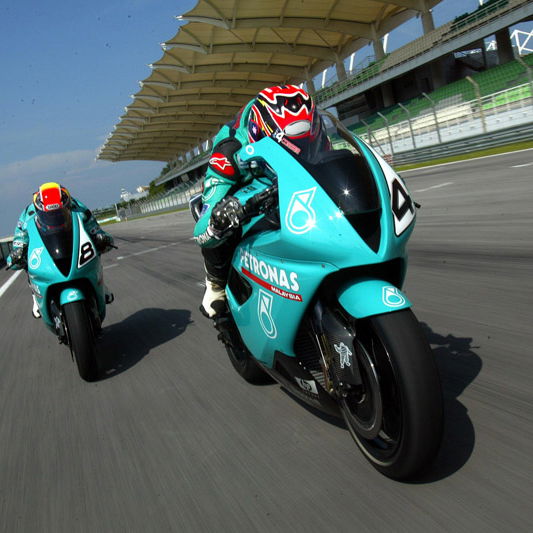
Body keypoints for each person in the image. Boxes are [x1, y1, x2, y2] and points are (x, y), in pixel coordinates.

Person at [193, 85, 327, 318]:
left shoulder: (314, 131)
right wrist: (218, 219)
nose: (299, 149)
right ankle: (215, 283)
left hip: (295, 175)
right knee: (224, 220)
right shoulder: (228, 152)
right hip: (250, 180)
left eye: (306, 142)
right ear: (259, 133)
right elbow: (201, 229)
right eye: (291, 144)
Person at [6, 182, 115, 318]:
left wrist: (100, 237)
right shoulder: (28, 214)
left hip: (71, 238)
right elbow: (20, 237)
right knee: (27, 260)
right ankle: (35, 296)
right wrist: (18, 251)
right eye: (50, 214)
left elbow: (93, 227)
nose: (55, 216)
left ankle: (100, 283)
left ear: (67, 204)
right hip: (45, 243)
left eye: (59, 212)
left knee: (96, 245)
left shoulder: (78, 207)